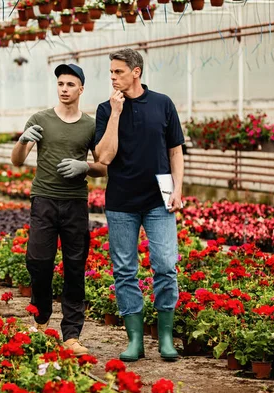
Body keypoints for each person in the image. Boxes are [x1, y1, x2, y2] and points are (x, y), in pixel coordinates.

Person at [94, 48, 185, 362]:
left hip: (159, 199)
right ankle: (135, 340)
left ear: (136, 72)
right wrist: (116, 114)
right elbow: (104, 157)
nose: (113, 77)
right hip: (121, 202)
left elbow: (175, 151)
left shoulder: (162, 104)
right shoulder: (106, 109)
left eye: (118, 71)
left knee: (165, 265)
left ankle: (165, 337)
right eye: (111, 72)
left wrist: (177, 189)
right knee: (124, 271)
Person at [11, 64, 107, 356]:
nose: (64, 89)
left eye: (70, 84)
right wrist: (23, 139)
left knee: (75, 267)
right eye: (60, 83)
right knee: (38, 261)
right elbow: (17, 161)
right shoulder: (40, 119)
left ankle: (71, 334)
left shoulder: (90, 125)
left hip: (75, 202)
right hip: (44, 200)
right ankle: (41, 315)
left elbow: (103, 166)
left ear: (81, 89)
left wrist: (85, 166)